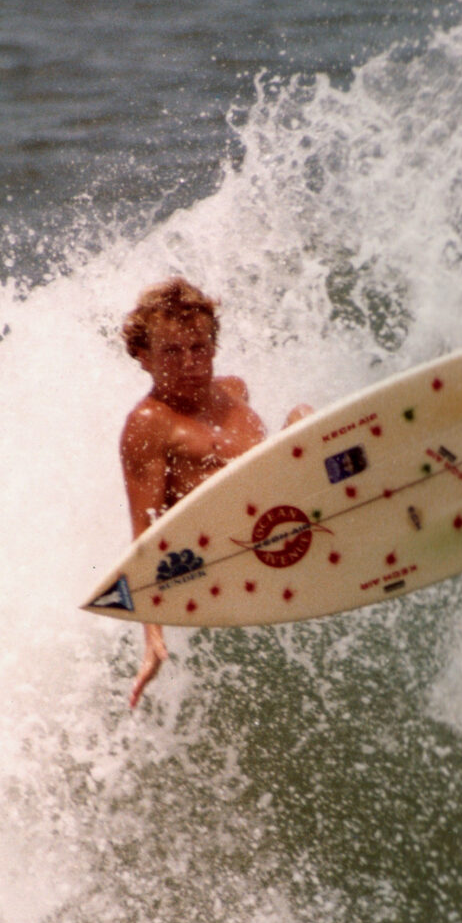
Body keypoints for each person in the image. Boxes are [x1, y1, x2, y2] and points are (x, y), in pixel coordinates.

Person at [116, 277, 304, 709]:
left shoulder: (234, 392)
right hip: (230, 544)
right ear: (143, 357)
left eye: (199, 347)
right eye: (172, 352)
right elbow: (145, 529)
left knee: (301, 417)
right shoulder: (149, 423)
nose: (190, 363)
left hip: (280, 514)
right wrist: (152, 634)